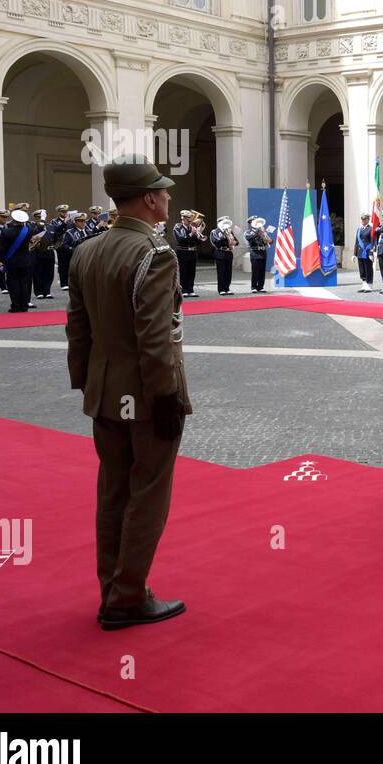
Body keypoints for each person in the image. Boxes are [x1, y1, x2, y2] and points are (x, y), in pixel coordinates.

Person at [66, 154, 189, 630]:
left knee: (112, 491)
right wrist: (164, 397)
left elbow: (78, 330)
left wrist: (87, 384)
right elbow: (155, 337)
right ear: (148, 199)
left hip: (105, 392)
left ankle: (112, 588)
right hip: (145, 394)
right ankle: (128, 596)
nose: (167, 197)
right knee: (149, 494)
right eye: (162, 191)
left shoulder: (87, 251)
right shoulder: (154, 254)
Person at [0, 208, 35, 313]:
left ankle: (16, 306)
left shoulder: (6, 232)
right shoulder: (29, 231)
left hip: (11, 262)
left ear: (13, 219)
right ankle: (24, 306)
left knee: (13, 285)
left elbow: (1, 250)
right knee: (25, 284)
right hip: (26, 261)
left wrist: (0, 263)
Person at [210, 217, 237, 295]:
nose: (226, 225)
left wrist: (234, 242)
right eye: (224, 223)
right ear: (219, 223)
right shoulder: (215, 231)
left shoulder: (229, 231)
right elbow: (216, 242)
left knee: (228, 272)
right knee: (221, 272)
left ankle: (227, 288)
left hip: (228, 253)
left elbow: (236, 241)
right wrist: (225, 237)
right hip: (220, 253)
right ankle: (221, 289)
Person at [246, 217, 271, 293]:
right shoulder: (248, 232)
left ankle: (260, 286)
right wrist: (258, 233)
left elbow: (270, 242)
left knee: (262, 270)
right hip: (255, 252)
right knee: (255, 270)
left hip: (263, 252)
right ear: (250, 223)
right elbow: (249, 238)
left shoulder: (262, 232)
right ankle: (254, 287)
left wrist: (265, 235)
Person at [353, 214, 375, 293]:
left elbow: (372, 241)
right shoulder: (359, 229)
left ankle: (369, 285)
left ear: (368, 220)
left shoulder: (371, 229)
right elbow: (357, 242)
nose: (363, 221)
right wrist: (354, 254)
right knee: (362, 269)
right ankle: (364, 284)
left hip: (367, 251)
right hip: (360, 251)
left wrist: (371, 253)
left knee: (368, 268)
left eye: (364, 219)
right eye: (362, 219)